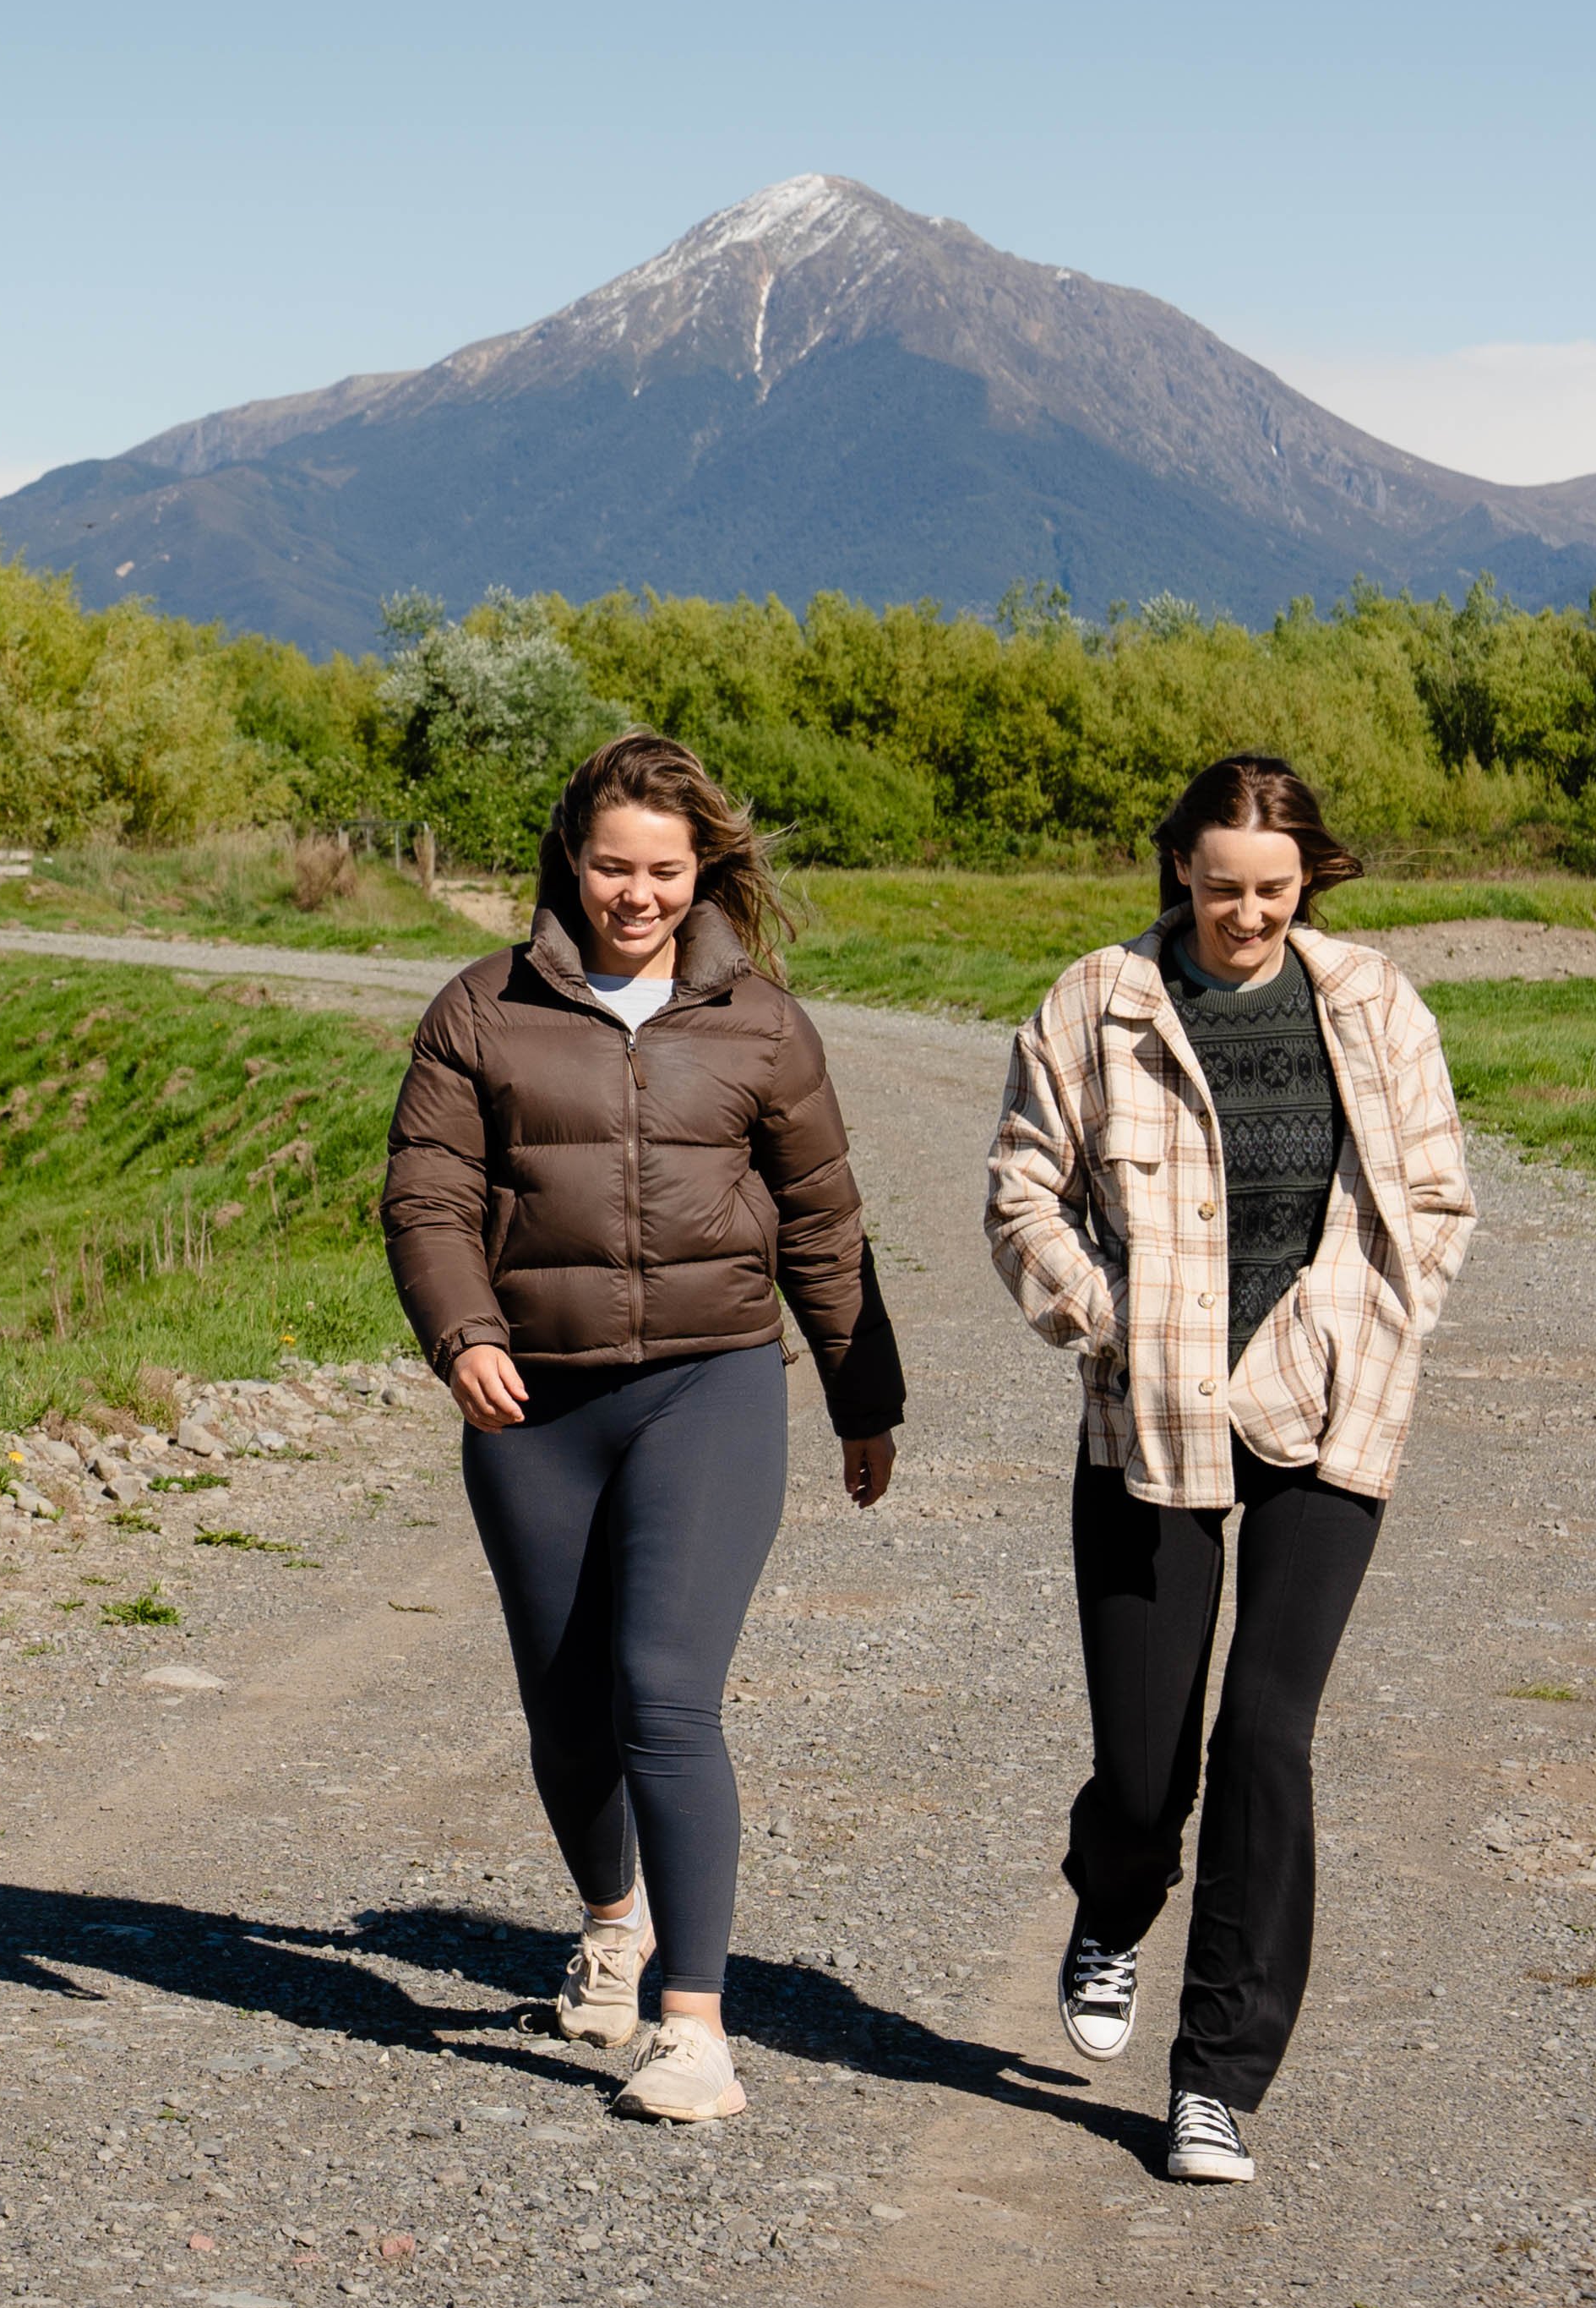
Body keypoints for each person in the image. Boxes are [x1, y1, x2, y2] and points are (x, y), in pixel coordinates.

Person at [385, 731, 903, 2124]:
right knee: (564, 1711)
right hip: (531, 1400)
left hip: (708, 1381)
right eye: (612, 866)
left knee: (661, 1692)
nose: (636, 893)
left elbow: (821, 1220)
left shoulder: (761, 1021)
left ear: (700, 868)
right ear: (569, 861)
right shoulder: (479, 1009)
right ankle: (611, 1920)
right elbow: (426, 1196)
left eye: (663, 869)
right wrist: (462, 1332)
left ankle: (694, 2027)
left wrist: (866, 1395)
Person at [983, 750, 1478, 2185]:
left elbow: (1436, 1196)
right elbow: (1023, 1193)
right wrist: (1109, 1319)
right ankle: (1112, 1900)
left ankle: (1215, 2076)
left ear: (1306, 877)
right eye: (1219, 891)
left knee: (1267, 1731)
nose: (1245, 918)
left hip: (1329, 1408)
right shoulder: (1096, 1000)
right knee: (1146, 1770)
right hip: (1154, 1418)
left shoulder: (1374, 1003)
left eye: (1271, 890)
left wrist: (1362, 1321)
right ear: (1177, 874)